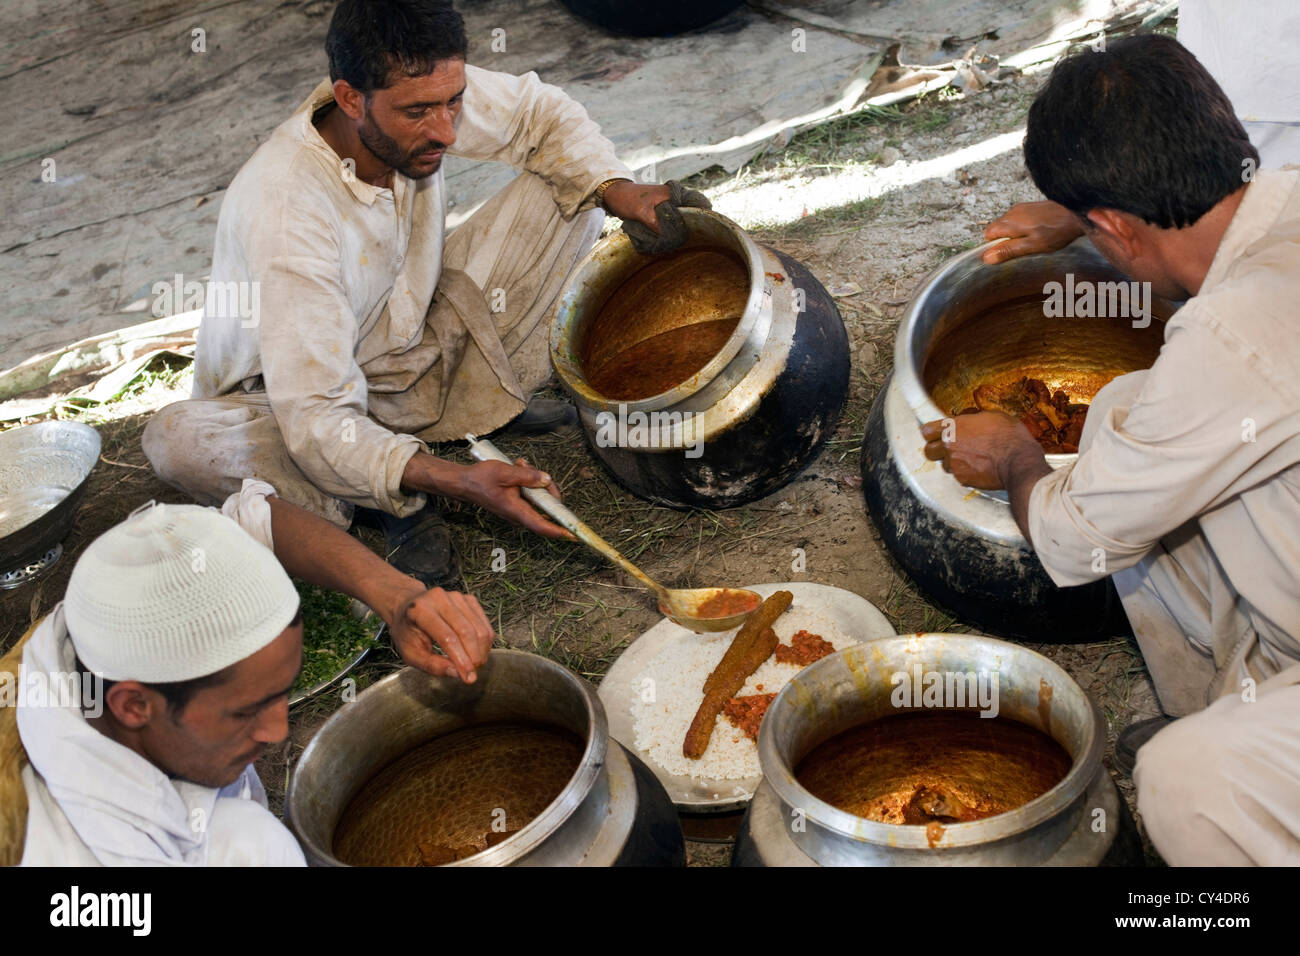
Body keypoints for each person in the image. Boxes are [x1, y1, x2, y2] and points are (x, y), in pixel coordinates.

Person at [142, 0, 709, 587]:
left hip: (412, 345)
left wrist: (619, 190)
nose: (445, 129)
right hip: (290, 402)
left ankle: (460, 418)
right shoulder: (287, 212)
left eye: (454, 100)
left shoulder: (424, 90)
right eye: (418, 112)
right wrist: (460, 482)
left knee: (572, 192)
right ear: (350, 98)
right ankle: (394, 499)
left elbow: (540, 114)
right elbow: (316, 418)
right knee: (180, 442)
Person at [921, 34, 1300, 865]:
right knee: (1135, 429)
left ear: (1116, 228)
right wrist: (1083, 215)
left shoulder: (1232, 339)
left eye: (1100, 229)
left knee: (1187, 782)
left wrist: (1017, 457)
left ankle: (1237, 754)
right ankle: (1238, 701)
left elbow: (1072, 537)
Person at [2, 479, 497, 866]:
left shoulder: (99, 631)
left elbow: (259, 520)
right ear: (133, 706)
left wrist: (398, 595)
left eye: (282, 692)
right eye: (245, 712)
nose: (279, 732)